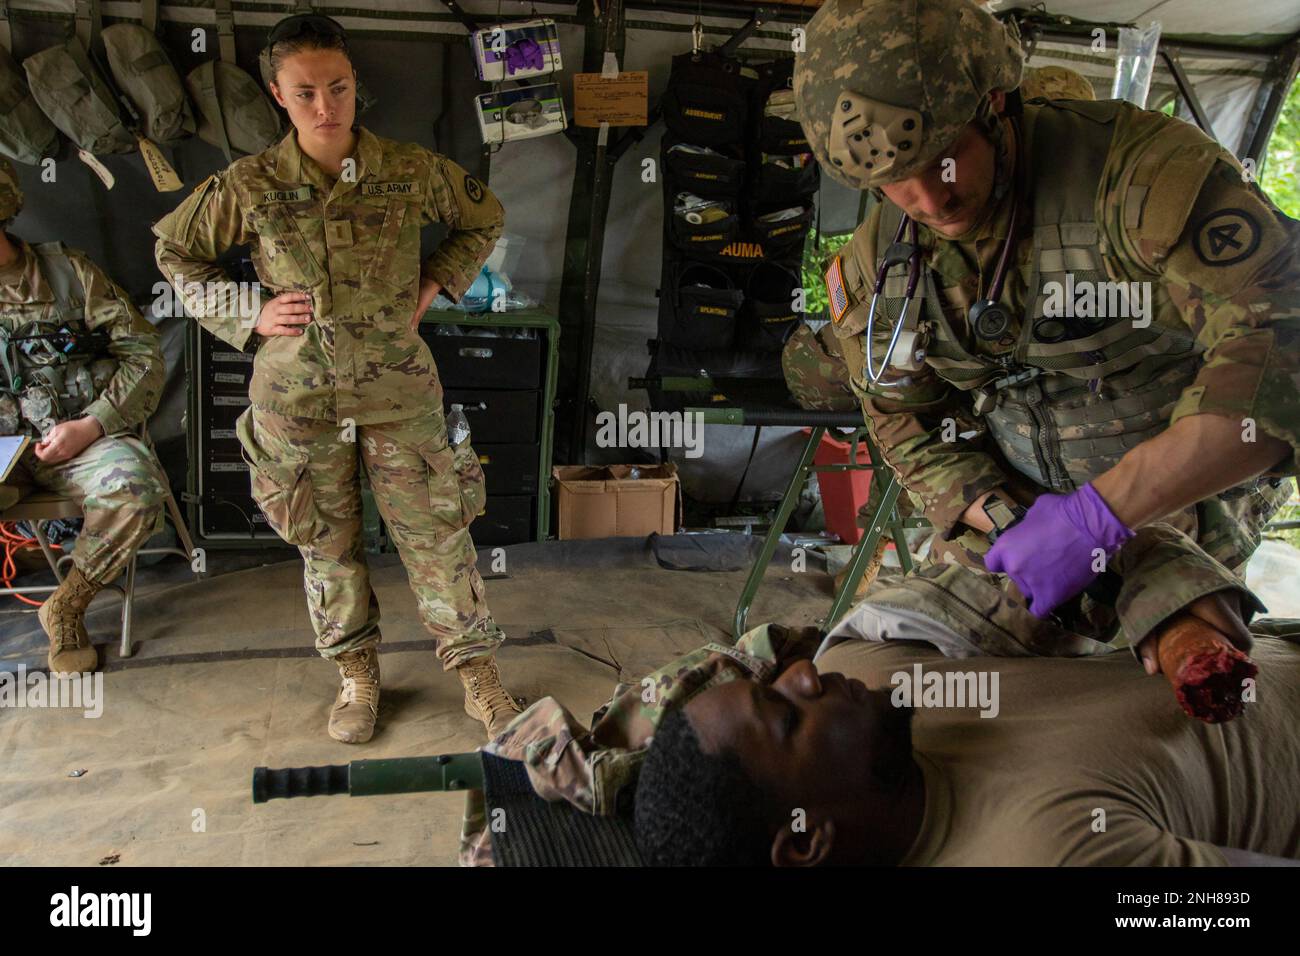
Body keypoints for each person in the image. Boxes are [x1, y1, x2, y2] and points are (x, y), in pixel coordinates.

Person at [789, 0, 1299, 667]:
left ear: (996, 103)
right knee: (901, 667)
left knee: (1159, 687)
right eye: (892, 183)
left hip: (1185, 488)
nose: (930, 200)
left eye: (945, 157)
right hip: (1022, 512)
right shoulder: (880, 263)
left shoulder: (1137, 177)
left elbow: (1281, 343)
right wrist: (1005, 520)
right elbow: (906, 422)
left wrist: (1100, 516)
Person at [152, 13, 521, 742]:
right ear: (278, 95)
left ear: (357, 88)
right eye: (307, 92)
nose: (326, 107)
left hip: (397, 393)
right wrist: (247, 312)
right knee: (327, 543)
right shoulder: (250, 184)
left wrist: (435, 283)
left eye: (339, 88)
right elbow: (175, 252)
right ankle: (357, 676)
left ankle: (478, 674)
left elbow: (484, 219)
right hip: (299, 398)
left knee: (438, 534)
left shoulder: (410, 171)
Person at [632, 626, 1300, 866]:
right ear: (807, 841)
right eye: (785, 713)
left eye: (772, 681)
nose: (802, 673)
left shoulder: (874, 665)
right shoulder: (1045, 853)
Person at [0, 157, 167, 675]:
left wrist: (91, 424)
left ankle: (67, 604)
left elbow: (144, 356)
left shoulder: (67, 273)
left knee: (135, 488)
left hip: (80, 443)